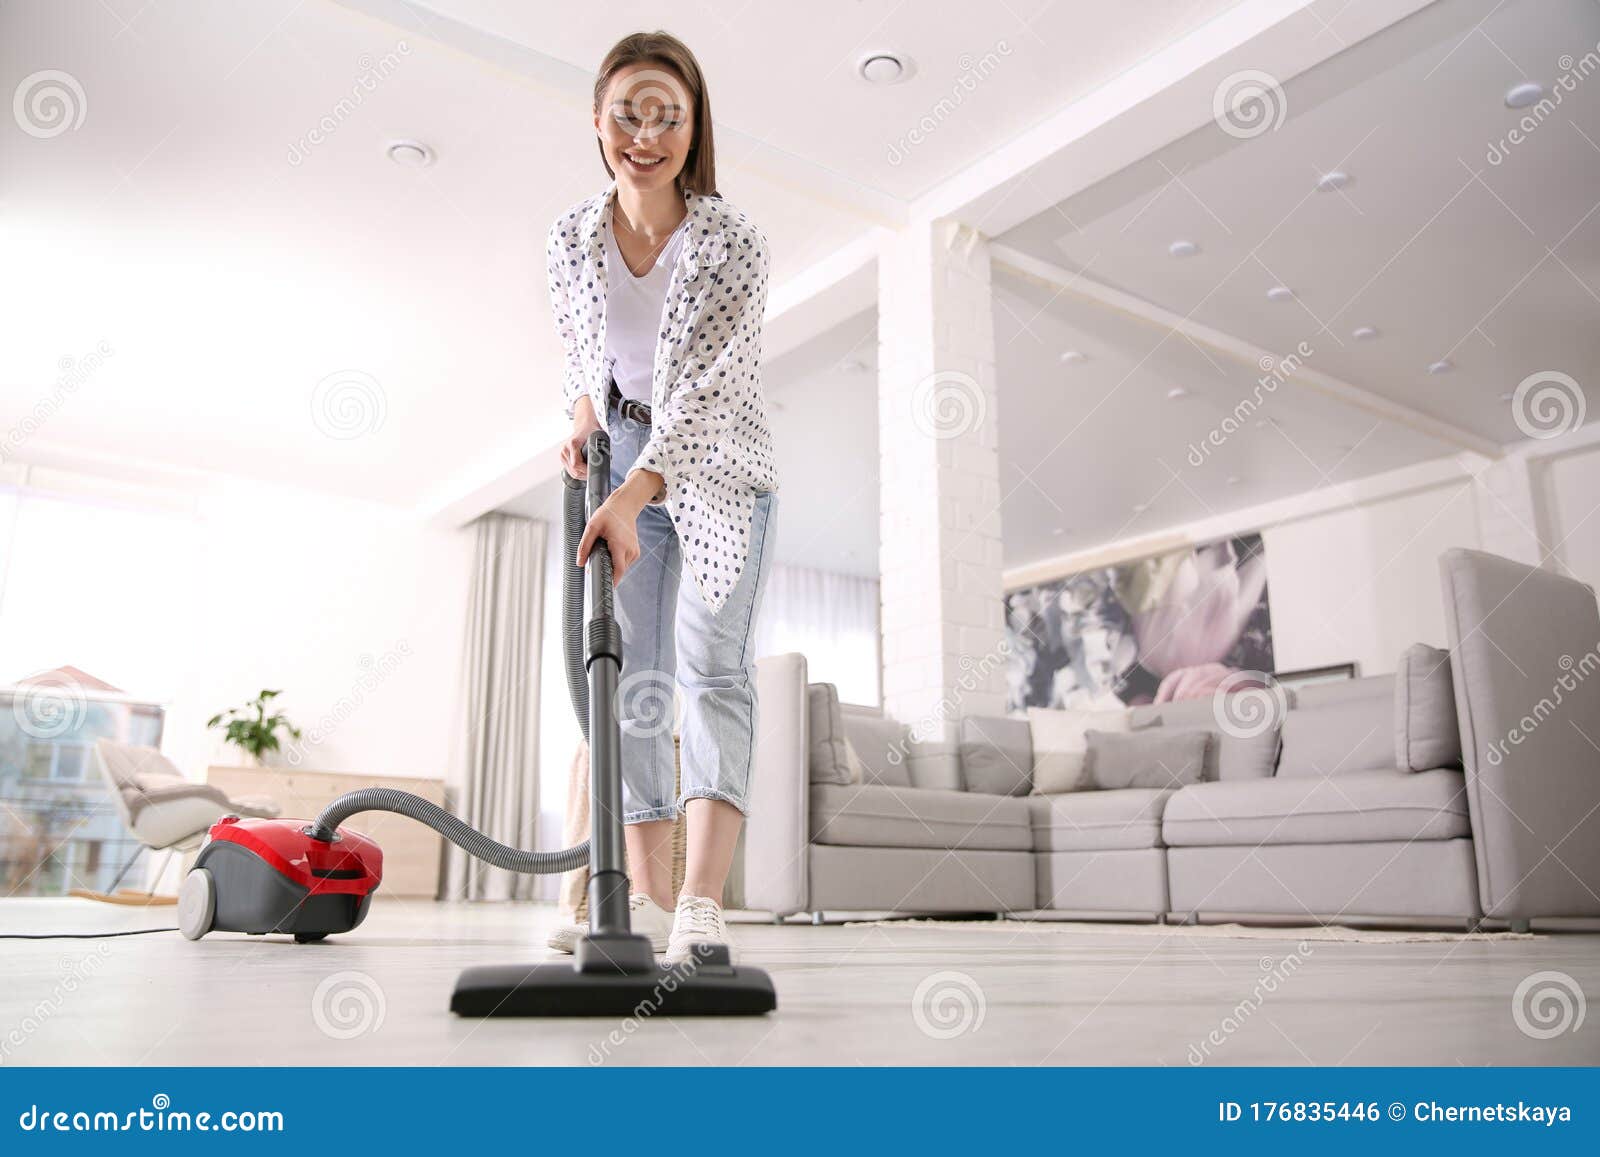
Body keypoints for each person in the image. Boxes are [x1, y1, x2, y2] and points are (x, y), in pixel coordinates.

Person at [544, 31, 778, 965]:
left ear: (693, 126)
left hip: (720, 460)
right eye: (628, 111)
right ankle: (635, 902)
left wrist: (639, 491)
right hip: (623, 446)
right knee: (630, 680)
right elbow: (579, 352)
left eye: (668, 115)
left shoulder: (733, 242)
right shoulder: (570, 235)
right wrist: (580, 415)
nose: (647, 133)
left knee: (711, 667)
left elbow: (707, 395)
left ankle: (701, 905)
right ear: (597, 120)